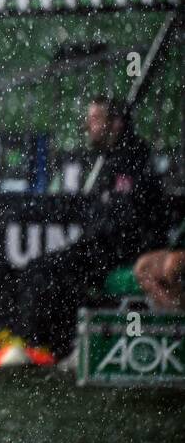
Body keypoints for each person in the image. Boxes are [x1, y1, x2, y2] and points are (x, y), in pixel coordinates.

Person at [26, 96, 167, 356]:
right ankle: (55, 346)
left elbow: (128, 222)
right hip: (107, 248)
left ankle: (61, 349)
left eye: (94, 119)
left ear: (115, 124)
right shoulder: (111, 159)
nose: (86, 126)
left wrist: (92, 242)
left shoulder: (133, 159)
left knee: (50, 272)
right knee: (44, 268)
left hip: (124, 251)